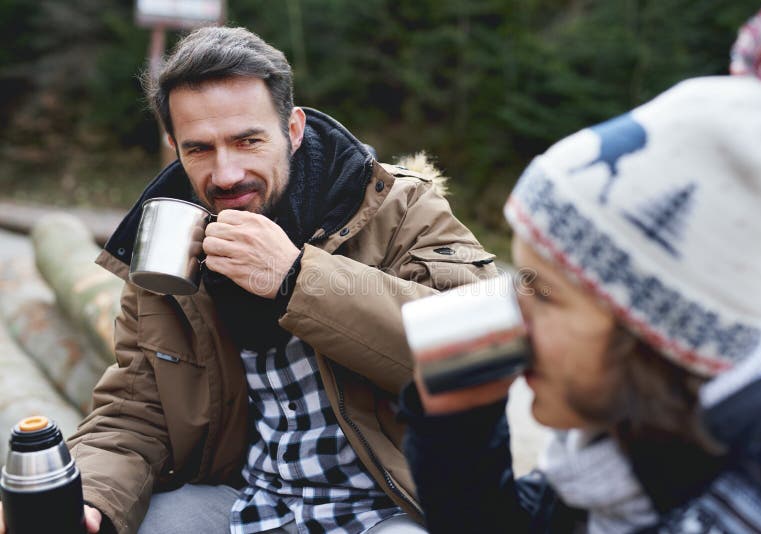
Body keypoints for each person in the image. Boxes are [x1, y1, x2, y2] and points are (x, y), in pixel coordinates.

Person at [0, 26, 497, 534]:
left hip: (388, 505)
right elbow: (135, 408)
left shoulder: (397, 206)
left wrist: (297, 277)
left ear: (293, 129)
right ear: (175, 146)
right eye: (199, 149)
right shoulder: (167, 241)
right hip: (248, 501)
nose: (226, 174)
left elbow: (483, 349)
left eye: (247, 140)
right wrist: (90, 501)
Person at [401, 1, 761, 532]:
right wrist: (457, 429)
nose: (510, 314)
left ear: (658, 331)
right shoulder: (613, 450)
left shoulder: (760, 503)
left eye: (545, 294)